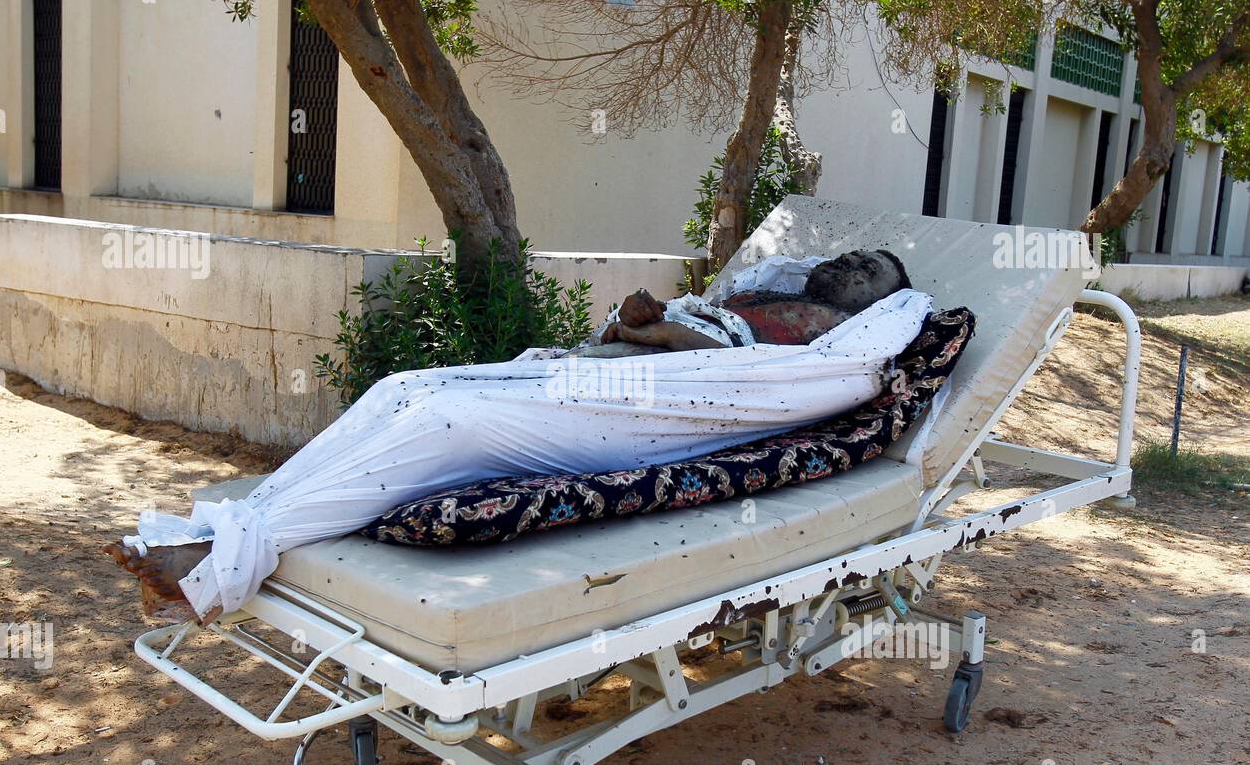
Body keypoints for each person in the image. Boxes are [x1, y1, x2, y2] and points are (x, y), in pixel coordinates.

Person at [105, 249, 925, 623]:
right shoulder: (755, 295)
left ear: (882, 307)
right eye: (854, 256)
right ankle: (230, 527)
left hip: (643, 417)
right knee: (406, 386)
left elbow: (738, 384)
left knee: (445, 420)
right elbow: (660, 331)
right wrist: (635, 320)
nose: (853, 267)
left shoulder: (840, 354)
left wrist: (652, 338)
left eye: (873, 274)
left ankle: (219, 566)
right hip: (607, 375)